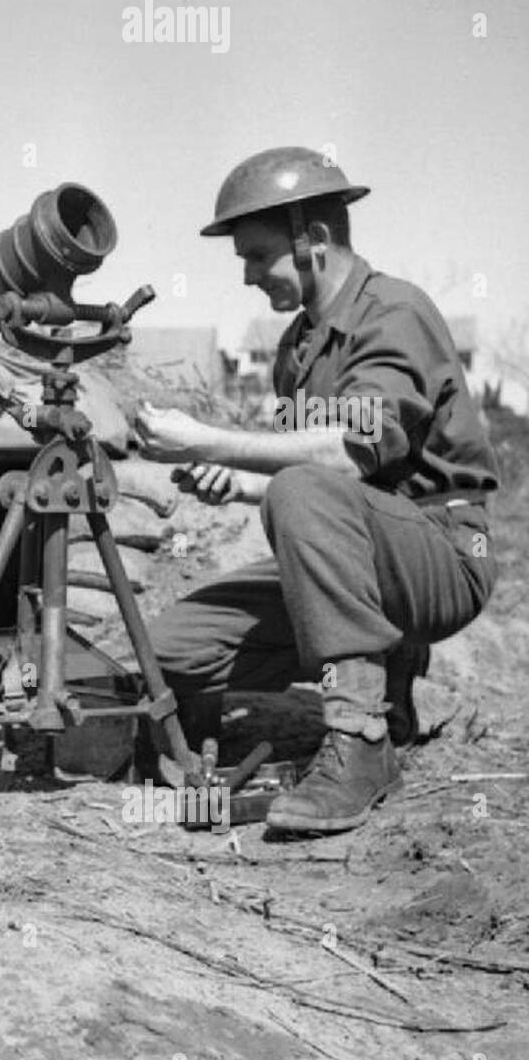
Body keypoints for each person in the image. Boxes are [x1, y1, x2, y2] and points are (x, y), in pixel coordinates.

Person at [133, 147, 498, 835]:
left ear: (315, 242)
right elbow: (306, 477)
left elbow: (345, 453)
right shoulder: (297, 349)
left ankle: (362, 745)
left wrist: (208, 438)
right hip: (361, 546)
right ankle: (377, 683)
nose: (246, 275)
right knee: (174, 648)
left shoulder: (394, 312)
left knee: (303, 490)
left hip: (444, 554)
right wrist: (236, 482)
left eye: (257, 255)